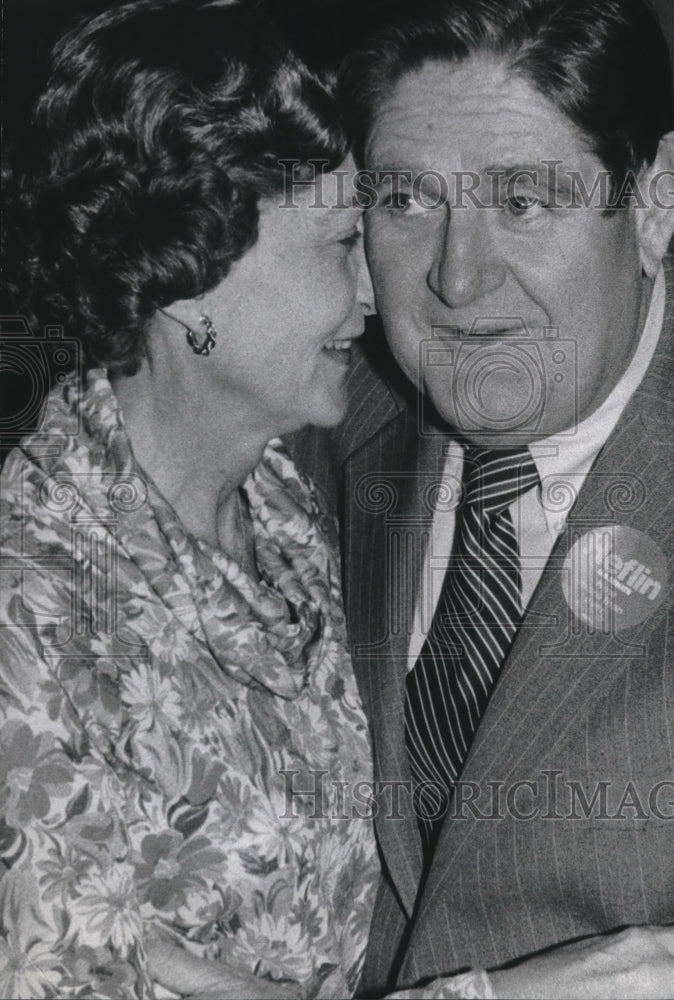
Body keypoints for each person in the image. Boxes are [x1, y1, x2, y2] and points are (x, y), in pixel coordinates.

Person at [291, 0, 674, 996]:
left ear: (654, 200)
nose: (457, 280)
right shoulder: (315, 424)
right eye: (407, 202)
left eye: (522, 200)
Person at [0, 2, 383, 997]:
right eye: (340, 243)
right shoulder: (29, 608)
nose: (375, 291)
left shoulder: (289, 502)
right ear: (185, 281)